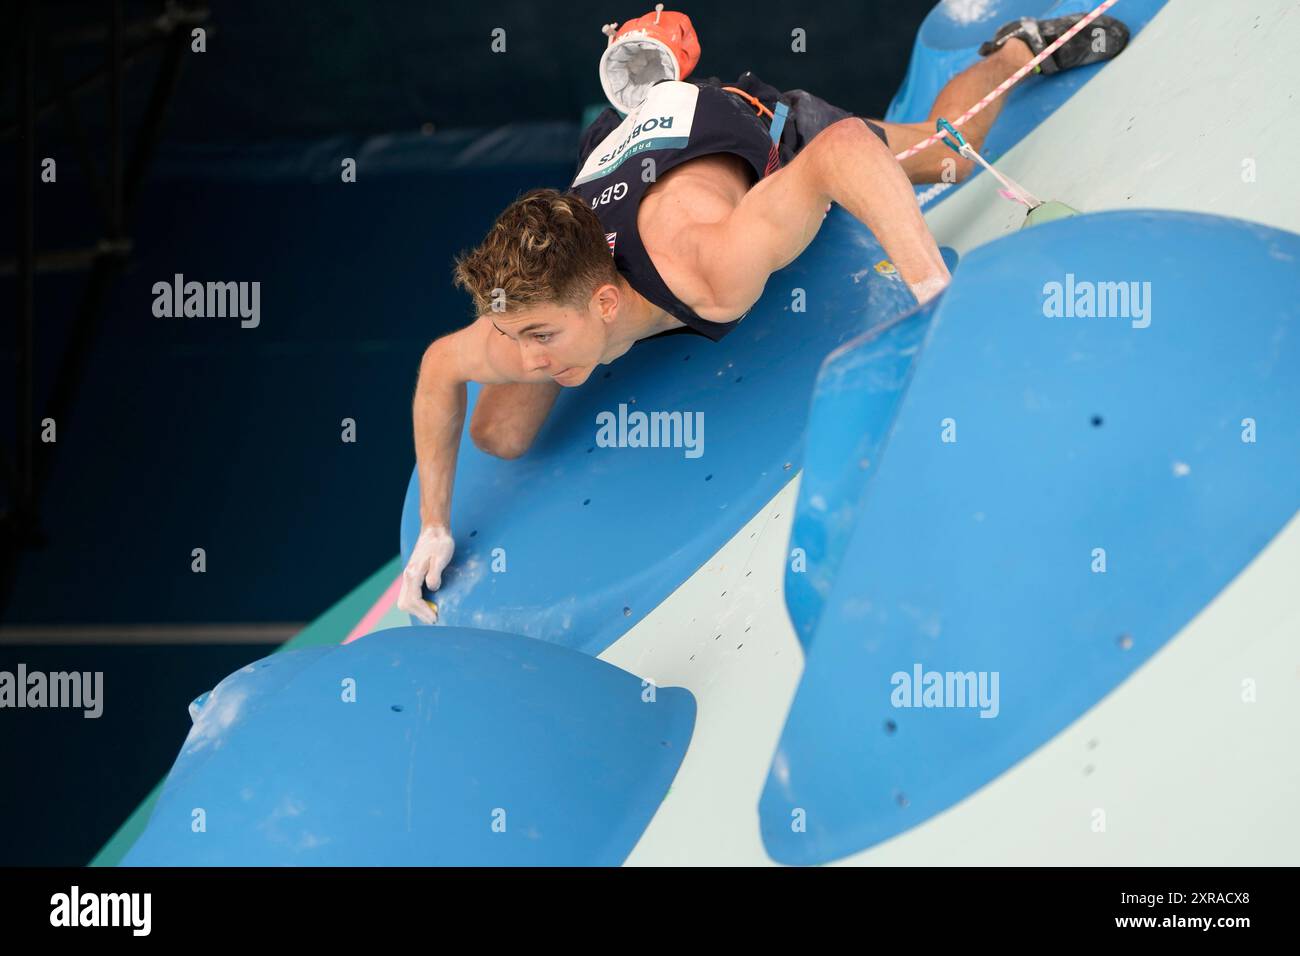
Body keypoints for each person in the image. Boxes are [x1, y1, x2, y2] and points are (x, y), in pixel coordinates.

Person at [399, 13, 1130, 622]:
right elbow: (438, 367)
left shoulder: (710, 267)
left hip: (747, 124)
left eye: (540, 336)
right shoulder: (542, 316)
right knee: (499, 432)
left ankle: (1018, 44)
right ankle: (651, 84)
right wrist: (435, 524)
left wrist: (937, 300)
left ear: (608, 301)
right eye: (517, 335)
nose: (525, 358)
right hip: (625, 151)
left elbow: (842, 152)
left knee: (945, 158)